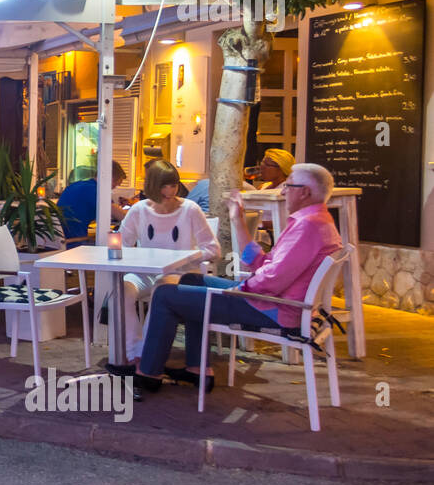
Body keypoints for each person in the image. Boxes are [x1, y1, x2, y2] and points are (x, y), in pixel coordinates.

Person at [134, 162, 342, 393]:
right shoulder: (317, 221)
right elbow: (262, 264)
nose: (283, 191)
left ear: (305, 192)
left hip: (274, 308)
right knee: (190, 281)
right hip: (275, 300)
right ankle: (197, 369)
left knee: (165, 294)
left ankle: (149, 374)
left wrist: (238, 290)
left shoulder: (307, 227)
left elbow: (271, 280)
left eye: (288, 186)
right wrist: (237, 219)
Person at [113, 159, 220, 368]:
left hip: (179, 272)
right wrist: (119, 248)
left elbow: (213, 249)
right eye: (164, 185)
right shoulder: (139, 210)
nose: (170, 191)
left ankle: (146, 354)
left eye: (173, 185)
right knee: (121, 290)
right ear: (153, 185)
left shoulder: (190, 209)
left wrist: (185, 257)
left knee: (161, 291)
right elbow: (121, 243)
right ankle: (133, 349)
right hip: (145, 272)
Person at [57, 160, 127, 240]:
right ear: (111, 178)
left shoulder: (76, 185)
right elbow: (124, 217)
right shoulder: (97, 191)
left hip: (60, 239)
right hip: (74, 242)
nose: (113, 188)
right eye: (115, 185)